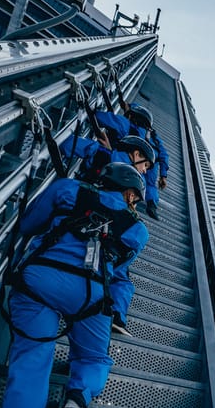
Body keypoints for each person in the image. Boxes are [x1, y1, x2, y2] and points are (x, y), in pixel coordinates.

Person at [0, 163, 149, 408]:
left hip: (41, 280)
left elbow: (28, 225)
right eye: (135, 197)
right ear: (129, 191)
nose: (134, 203)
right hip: (92, 295)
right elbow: (119, 268)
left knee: (32, 361)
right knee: (94, 358)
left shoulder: (67, 188)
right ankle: (76, 401)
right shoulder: (139, 231)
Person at [58, 135, 156, 335]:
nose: (145, 170)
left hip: (71, 224)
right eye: (145, 164)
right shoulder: (112, 162)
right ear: (135, 154)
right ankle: (116, 315)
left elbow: (68, 144)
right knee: (121, 277)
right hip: (100, 247)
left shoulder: (102, 155)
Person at [95, 103, 170, 216]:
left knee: (130, 176)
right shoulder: (154, 136)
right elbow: (164, 154)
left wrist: (110, 151)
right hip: (152, 163)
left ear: (133, 116)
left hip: (134, 159)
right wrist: (163, 175)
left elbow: (98, 117)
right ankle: (151, 204)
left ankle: (123, 198)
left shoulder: (127, 125)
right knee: (149, 184)